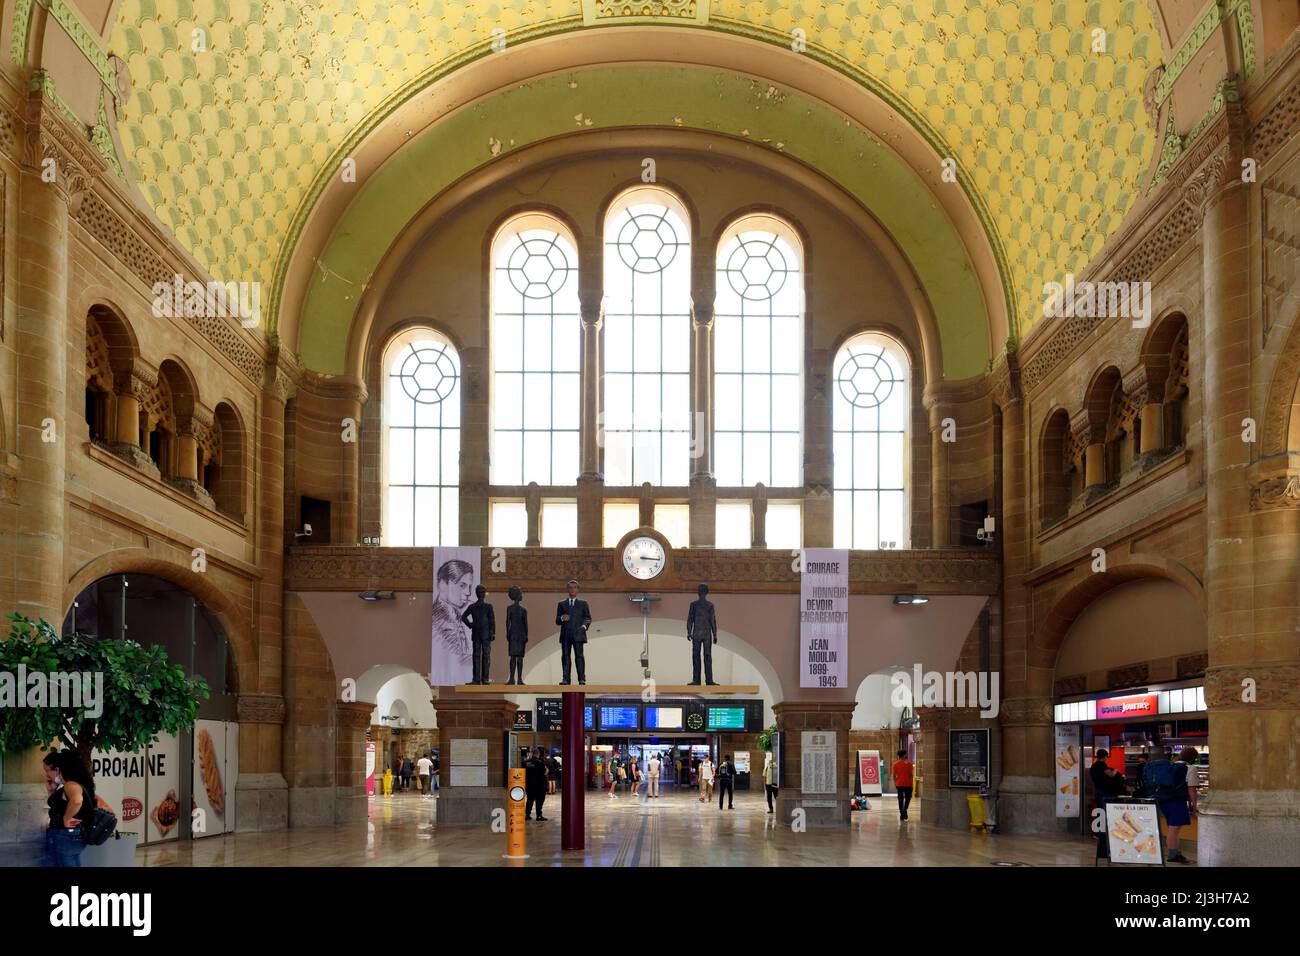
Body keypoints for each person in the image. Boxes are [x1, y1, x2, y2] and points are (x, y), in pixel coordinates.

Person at [42, 751, 95, 867]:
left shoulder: (70, 785)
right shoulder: (74, 784)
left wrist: (67, 818)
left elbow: (77, 800)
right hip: (68, 836)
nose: (47, 775)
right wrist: (52, 792)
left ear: (57, 769)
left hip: (65, 836)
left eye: (47, 771)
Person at [1143, 745, 1193, 864]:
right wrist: (1194, 805)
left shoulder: (1171, 765)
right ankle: (1173, 853)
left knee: (1173, 828)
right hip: (1176, 800)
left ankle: (1174, 852)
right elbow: (1192, 788)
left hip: (1164, 799)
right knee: (1174, 828)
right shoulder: (1188, 768)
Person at [430, 558, 476, 684]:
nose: (468, 592)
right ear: (443, 585)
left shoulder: (456, 613)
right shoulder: (440, 618)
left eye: (470, 587)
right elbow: (457, 657)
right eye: (462, 585)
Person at [555, 580, 592, 685]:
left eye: (575, 587)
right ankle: (566, 679)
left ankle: (582, 679)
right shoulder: (562, 604)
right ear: (568, 589)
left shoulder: (583, 604)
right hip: (566, 634)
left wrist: (584, 627)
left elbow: (588, 618)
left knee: (579, 656)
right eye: (570, 587)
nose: (572, 590)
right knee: (565, 656)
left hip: (578, 634)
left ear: (578, 589)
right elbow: (557, 620)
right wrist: (562, 617)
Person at [459, 584, 496, 684]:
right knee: (476, 656)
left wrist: (493, 633)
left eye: (482, 593)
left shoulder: (488, 607)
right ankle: (476, 679)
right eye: (479, 593)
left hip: (486, 635)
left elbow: (492, 620)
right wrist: (470, 625)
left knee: (486, 656)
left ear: (484, 594)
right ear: (477, 594)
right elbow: (463, 617)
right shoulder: (473, 606)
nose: (481, 594)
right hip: (476, 634)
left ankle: (485, 679)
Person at [505, 586, 529, 685]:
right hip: (515, 635)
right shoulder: (511, 608)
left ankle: (518, 678)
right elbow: (507, 622)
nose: (522, 595)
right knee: (514, 657)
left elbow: (525, 624)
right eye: (521, 594)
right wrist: (508, 633)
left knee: (518, 658)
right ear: (517, 596)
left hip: (517, 635)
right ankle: (513, 678)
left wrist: (526, 635)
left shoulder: (523, 610)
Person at [524, 747, 548, 821]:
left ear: (532, 753)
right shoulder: (540, 762)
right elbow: (544, 773)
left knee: (529, 800)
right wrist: (547, 770)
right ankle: (539, 816)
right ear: (538, 753)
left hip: (529, 785)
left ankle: (527, 815)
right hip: (539, 785)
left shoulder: (526, 762)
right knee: (539, 800)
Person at [892, 749, 915, 821]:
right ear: (904, 755)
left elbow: (894, 776)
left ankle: (902, 813)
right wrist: (911, 784)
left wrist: (895, 783)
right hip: (908, 784)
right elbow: (911, 775)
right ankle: (905, 810)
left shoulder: (895, 764)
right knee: (908, 798)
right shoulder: (909, 764)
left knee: (900, 799)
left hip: (899, 784)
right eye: (906, 754)